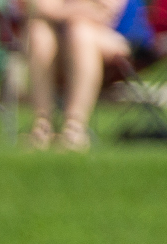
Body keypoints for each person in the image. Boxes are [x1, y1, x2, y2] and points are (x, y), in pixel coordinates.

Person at [25, 0, 136, 148]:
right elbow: (38, 7)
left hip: (111, 38)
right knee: (39, 31)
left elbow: (104, 13)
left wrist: (61, 9)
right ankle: (42, 124)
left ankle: (75, 127)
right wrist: (78, 8)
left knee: (80, 31)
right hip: (61, 39)